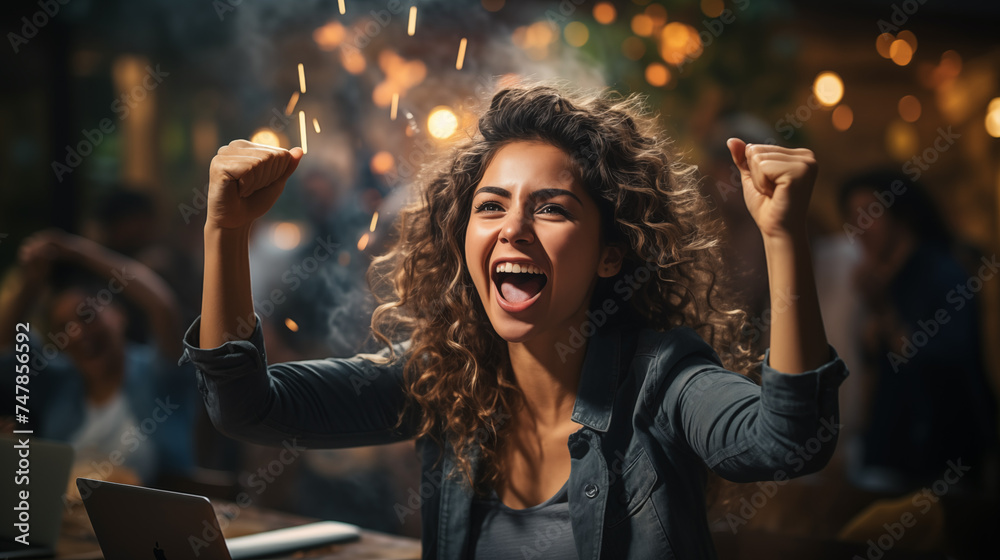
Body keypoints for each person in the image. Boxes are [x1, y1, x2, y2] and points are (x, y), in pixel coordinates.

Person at [180, 84, 848, 559]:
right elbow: (247, 408)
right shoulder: (443, 374)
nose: (513, 231)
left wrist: (782, 235)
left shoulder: (663, 379)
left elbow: (789, 442)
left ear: (612, 253)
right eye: (491, 206)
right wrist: (225, 231)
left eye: (552, 209)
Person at [0, 230, 197, 494]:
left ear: (119, 314)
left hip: (157, 526)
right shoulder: (57, 382)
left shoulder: (158, 372)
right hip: (70, 529)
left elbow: (162, 306)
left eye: (87, 316)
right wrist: (31, 282)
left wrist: (77, 251)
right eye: (63, 327)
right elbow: (5, 343)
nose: (77, 333)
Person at [838, 170, 998, 492]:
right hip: (891, 450)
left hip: (943, 454)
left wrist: (883, 312)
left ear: (902, 215)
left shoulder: (944, 272)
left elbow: (945, 356)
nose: (861, 228)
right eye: (853, 217)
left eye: (870, 213)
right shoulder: (881, 279)